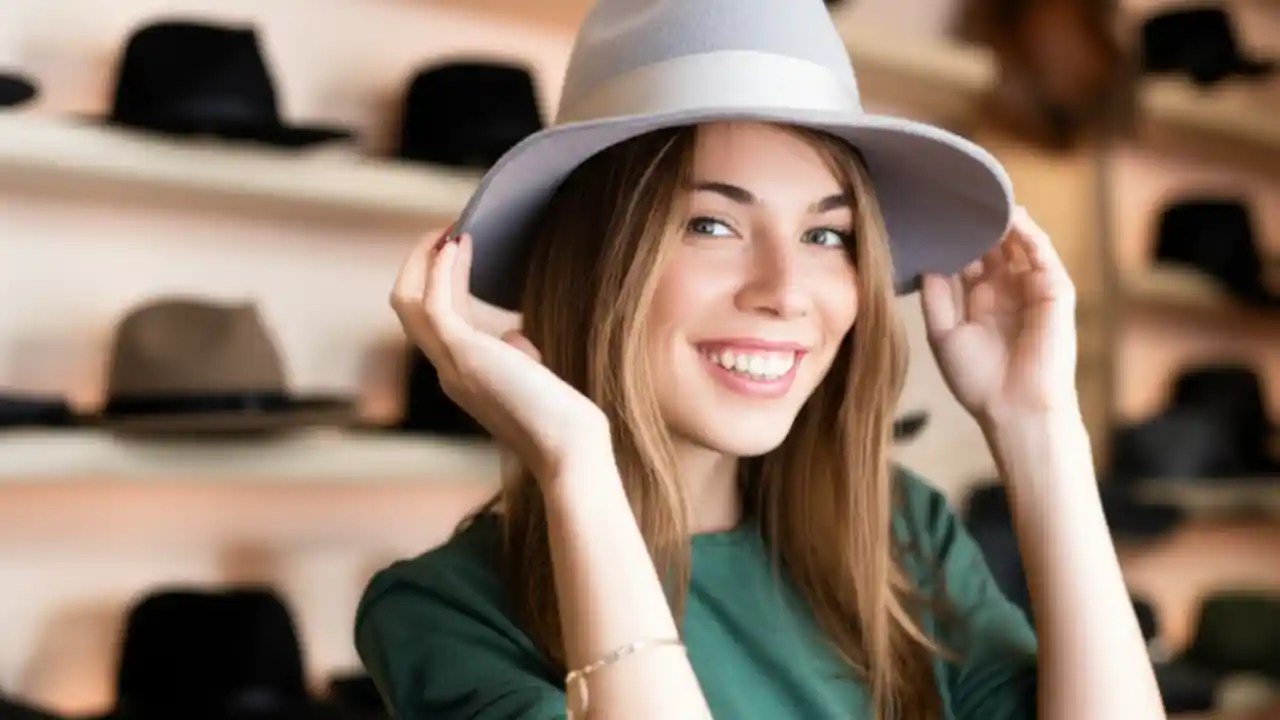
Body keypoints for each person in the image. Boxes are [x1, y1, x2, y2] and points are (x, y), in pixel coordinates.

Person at [355, 1, 1166, 718]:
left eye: (826, 235)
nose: (786, 291)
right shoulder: (444, 610)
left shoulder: (899, 535)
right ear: (594, 259)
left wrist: (1038, 427)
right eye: (713, 224)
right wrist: (578, 465)